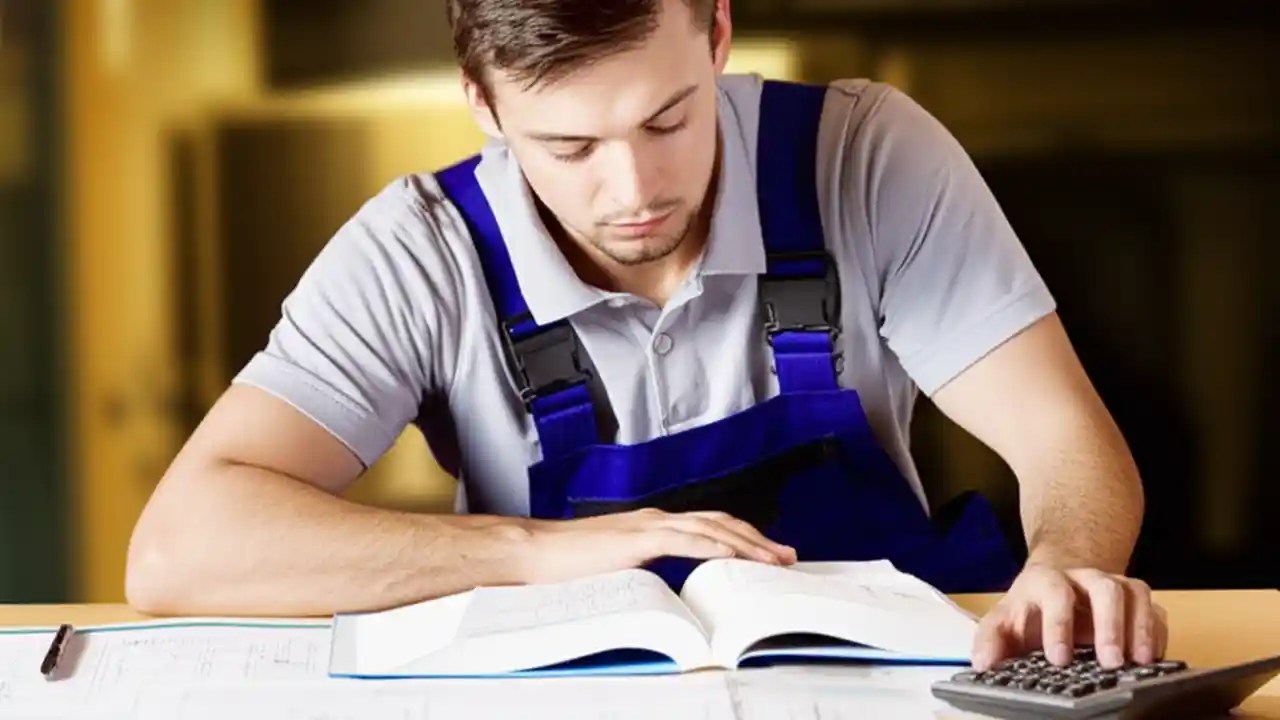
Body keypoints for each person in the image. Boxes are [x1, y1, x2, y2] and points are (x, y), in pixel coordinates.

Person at [126, 0, 1165, 673]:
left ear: (716, 31)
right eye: (568, 145)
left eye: (669, 119)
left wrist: (1069, 562)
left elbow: (1066, 444)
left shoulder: (863, 155)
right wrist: (544, 551)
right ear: (481, 102)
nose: (632, 193)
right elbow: (180, 549)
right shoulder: (418, 252)